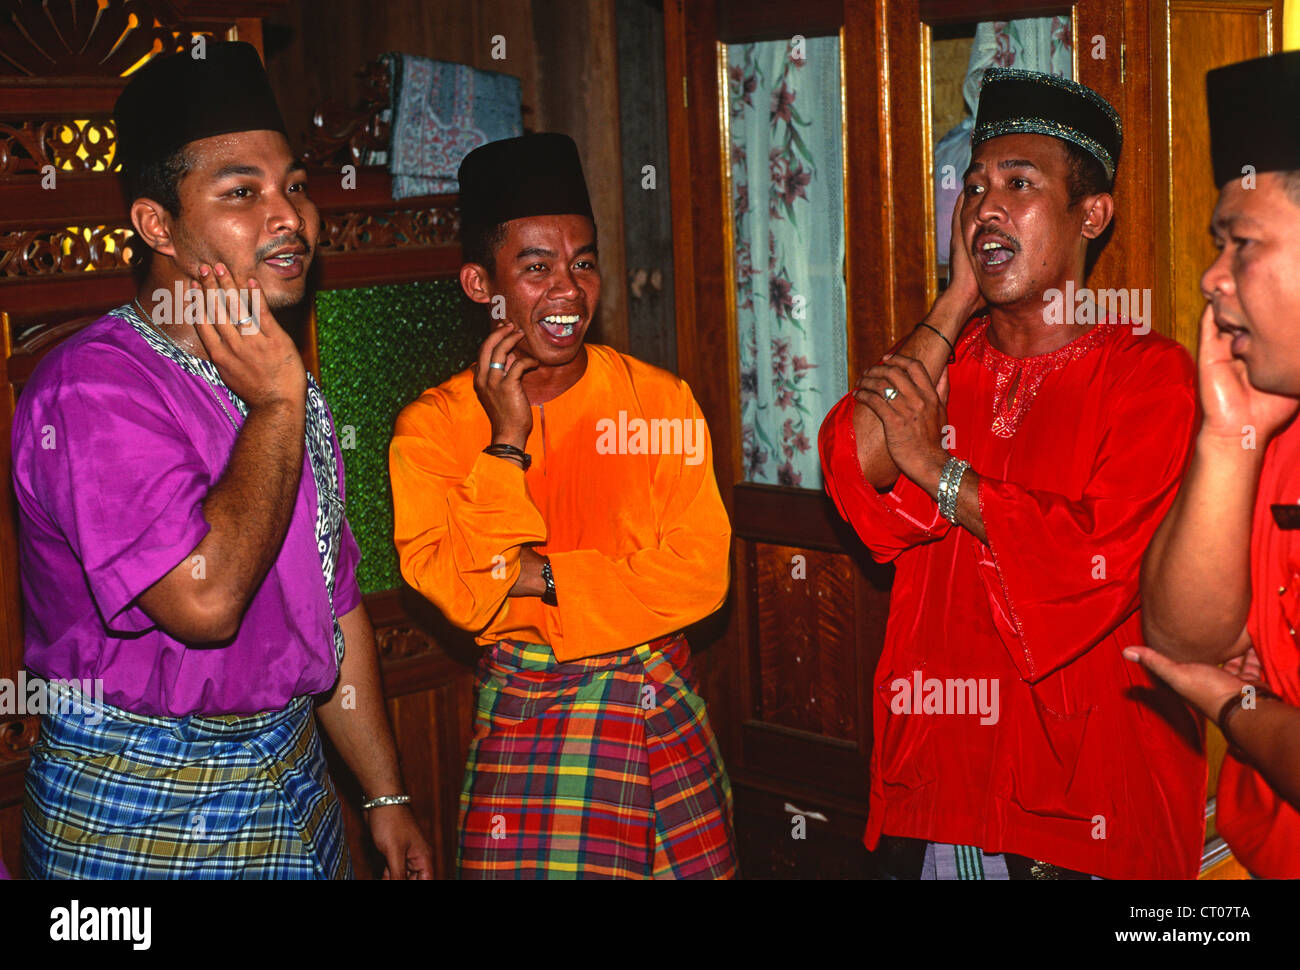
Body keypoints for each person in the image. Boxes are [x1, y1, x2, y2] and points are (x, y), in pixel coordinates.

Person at [14, 41, 432, 879]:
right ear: (157, 225)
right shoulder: (92, 391)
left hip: (293, 775)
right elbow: (204, 603)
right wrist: (277, 405)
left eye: (296, 188)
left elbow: (333, 599)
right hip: (145, 803)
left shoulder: (271, 373)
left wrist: (384, 798)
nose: (291, 219)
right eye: (243, 193)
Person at [817, 68, 1205, 879]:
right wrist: (954, 300)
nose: (985, 206)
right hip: (950, 780)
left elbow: (1092, 556)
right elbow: (851, 464)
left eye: (1019, 183)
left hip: (1088, 795)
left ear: (1091, 214)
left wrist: (936, 468)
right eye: (975, 185)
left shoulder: (1151, 374)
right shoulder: (946, 364)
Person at [389, 133, 736, 879]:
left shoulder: (657, 401)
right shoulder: (434, 429)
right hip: (530, 720)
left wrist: (543, 579)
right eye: (537, 267)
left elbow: (702, 577)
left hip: (657, 716)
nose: (568, 292)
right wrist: (508, 443)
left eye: (583, 262)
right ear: (482, 285)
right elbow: (456, 586)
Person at [1135, 50, 1300, 879]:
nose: (1211, 278)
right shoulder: (1275, 426)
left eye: (1241, 244)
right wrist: (1226, 435)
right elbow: (1181, 638)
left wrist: (1238, 709)